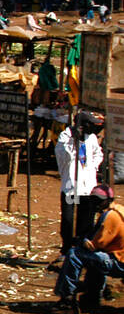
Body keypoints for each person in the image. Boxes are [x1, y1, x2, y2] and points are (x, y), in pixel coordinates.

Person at [55, 186, 124, 311]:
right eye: (94, 200)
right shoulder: (119, 210)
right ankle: (92, 297)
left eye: (99, 200)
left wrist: (82, 241)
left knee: (74, 254)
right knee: (95, 258)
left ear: (109, 199)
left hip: (119, 262)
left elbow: (95, 245)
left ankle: (67, 299)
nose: (96, 204)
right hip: (118, 257)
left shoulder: (110, 216)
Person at [54, 109, 105, 261]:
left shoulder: (91, 138)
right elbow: (63, 155)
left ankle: (82, 245)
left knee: (86, 216)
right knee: (69, 219)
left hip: (87, 184)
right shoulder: (66, 136)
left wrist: (92, 167)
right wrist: (74, 141)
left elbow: (98, 154)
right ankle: (67, 247)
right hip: (71, 185)